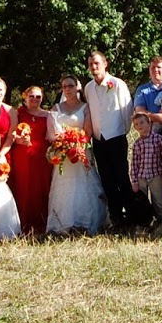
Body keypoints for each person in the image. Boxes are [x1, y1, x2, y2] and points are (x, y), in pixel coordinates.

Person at [46, 75, 108, 235]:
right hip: (63, 155)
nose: (67, 89)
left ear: (77, 87)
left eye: (71, 86)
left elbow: (87, 132)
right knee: (64, 188)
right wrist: (64, 144)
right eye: (65, 86)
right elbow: (51, 134)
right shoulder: (55, 109)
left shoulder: (85, 108)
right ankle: (64, 222)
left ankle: (83, 223)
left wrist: (77, 145)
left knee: (83, 186)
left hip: (81, 152)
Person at [82, 50, 137, 228]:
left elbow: (127, 111)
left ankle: (132, 215)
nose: (93, 67)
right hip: (99, 140)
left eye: (97, 63)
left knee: (122, 177)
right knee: (107, 180)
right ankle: (115, 217)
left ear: (105, 64)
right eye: (91, 64)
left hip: (116, 136)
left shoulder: (118, 84)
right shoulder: (88, 87)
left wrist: (121, 132)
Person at [7, 85, 53, 237]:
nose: (34, 99)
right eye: (31, 96)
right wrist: (18, 140)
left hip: (41, 157)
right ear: (25, 97)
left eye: (38, 97)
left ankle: (42, 223)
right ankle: (24, 223)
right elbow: (11, 132)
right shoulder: (18, 113)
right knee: (23, 188)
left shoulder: (48, 115)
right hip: (22, 156)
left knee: (42, 187)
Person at [128, 111, 162, 232]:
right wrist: (134, 181)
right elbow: (134, 164)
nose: (139, 125)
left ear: (149, 123)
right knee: (142, 201)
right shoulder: (137, 144)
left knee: (159, 199)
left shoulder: (158, 139)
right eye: (136, 124)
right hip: (141, 176)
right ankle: (144, 222)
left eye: (142, 122)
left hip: (155, 175)